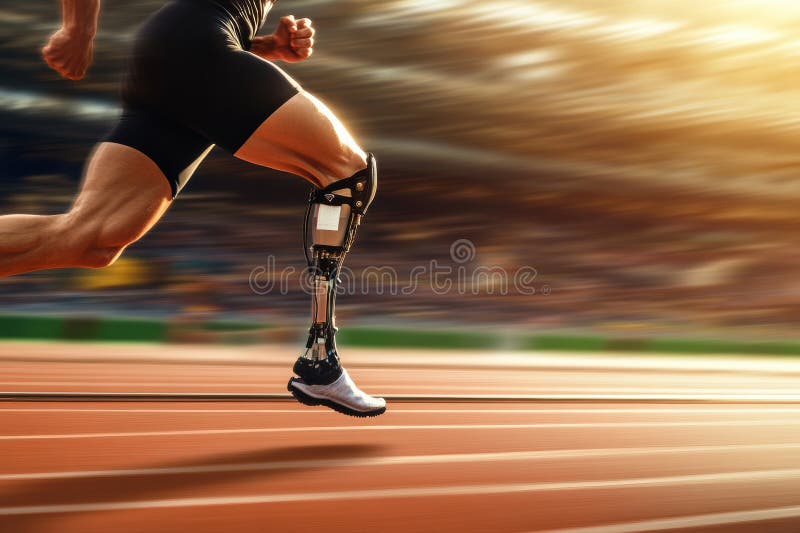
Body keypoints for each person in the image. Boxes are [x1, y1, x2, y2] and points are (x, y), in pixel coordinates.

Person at [0, 0, 386, 416]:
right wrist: (79, 30)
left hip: (175, 58)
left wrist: (263, 45)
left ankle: (320, 362)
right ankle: (320, 360)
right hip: (195, 49)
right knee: (348, 173)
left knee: (92, 240)